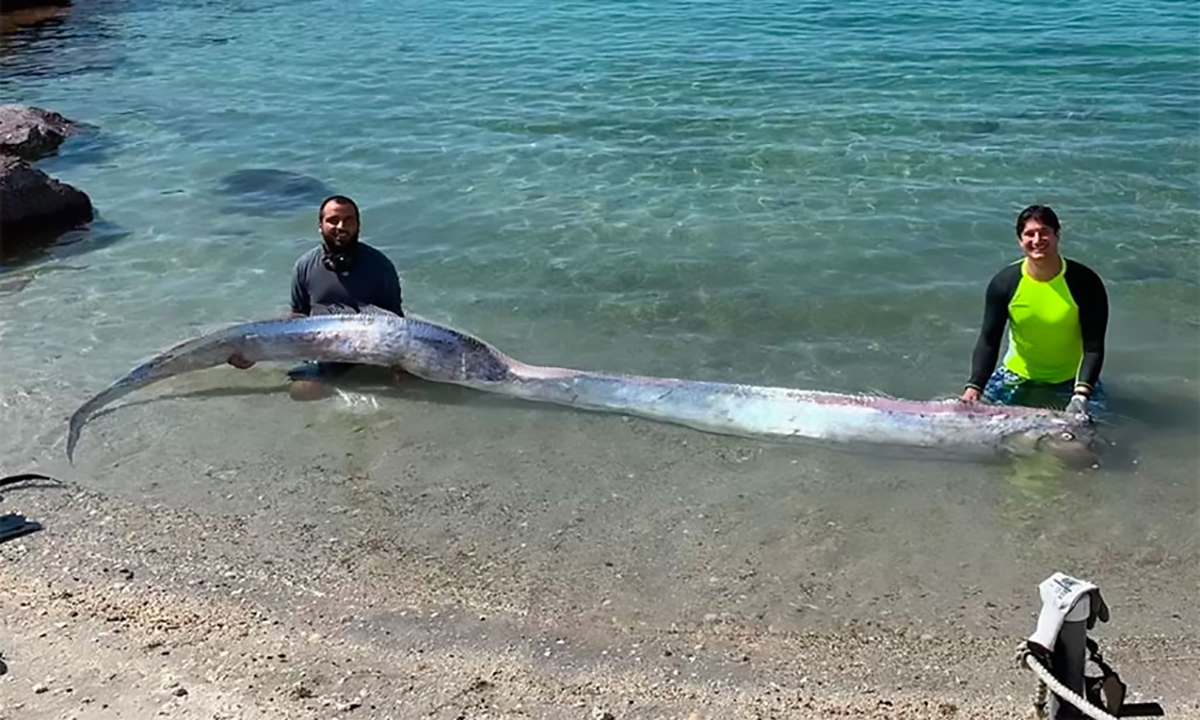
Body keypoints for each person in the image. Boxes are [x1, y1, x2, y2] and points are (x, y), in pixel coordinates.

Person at [227, 194, 406, 401]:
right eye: (333, 220)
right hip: (325, 352)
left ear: (358, 225)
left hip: (372, 350)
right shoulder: (304, 265)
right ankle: (343, 386)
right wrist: (255, 353)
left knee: (411, 381)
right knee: (302, 392)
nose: (341, 226)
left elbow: (396, 323)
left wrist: (399, 364)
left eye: (349, 220)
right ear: (320, 225)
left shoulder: (381, 266)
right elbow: (298, 318)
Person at [960, 204, 1109, 416]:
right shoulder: (1005, 283)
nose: (1037, 240)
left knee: (1086, 441)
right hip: (1016, 377)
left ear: (1057, 235)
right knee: (970, 423)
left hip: (1072, 381)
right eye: (1029, 234)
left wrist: (1081, 394)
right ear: (1020, 241)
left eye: (1044, 232)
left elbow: (1093, 347)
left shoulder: (1085, 282)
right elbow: (989, 341)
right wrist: (974, 387)